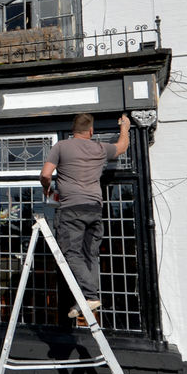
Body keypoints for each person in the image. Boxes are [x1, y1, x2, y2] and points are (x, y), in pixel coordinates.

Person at [39, 113, 130, 320]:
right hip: (94, 209)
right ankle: (87, 298)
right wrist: (125, 126)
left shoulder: (61, 146)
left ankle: (88, 295)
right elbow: (122, 146)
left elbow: (45, 174)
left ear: (73, 131)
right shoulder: (99, 148)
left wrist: (47, 189)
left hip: (71, 209)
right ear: (91, 131)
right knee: (90, 254)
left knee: (71, 254)